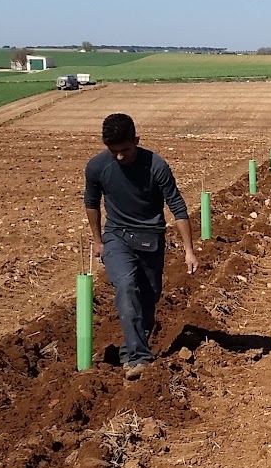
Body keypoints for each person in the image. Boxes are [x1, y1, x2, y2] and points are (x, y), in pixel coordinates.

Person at [84, 113, 199, 379]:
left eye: (125, 150)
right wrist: (98, 241)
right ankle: (136, 358)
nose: (120, 157)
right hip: (117, 237)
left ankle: (133, 348)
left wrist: (189, 250)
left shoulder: (156, 166)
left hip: (151, 238)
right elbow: (91, 203)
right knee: (126, 286)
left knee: (150, 297)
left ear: (136, 140)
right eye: (113, 151)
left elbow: (178, 207)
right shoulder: (97, 167)